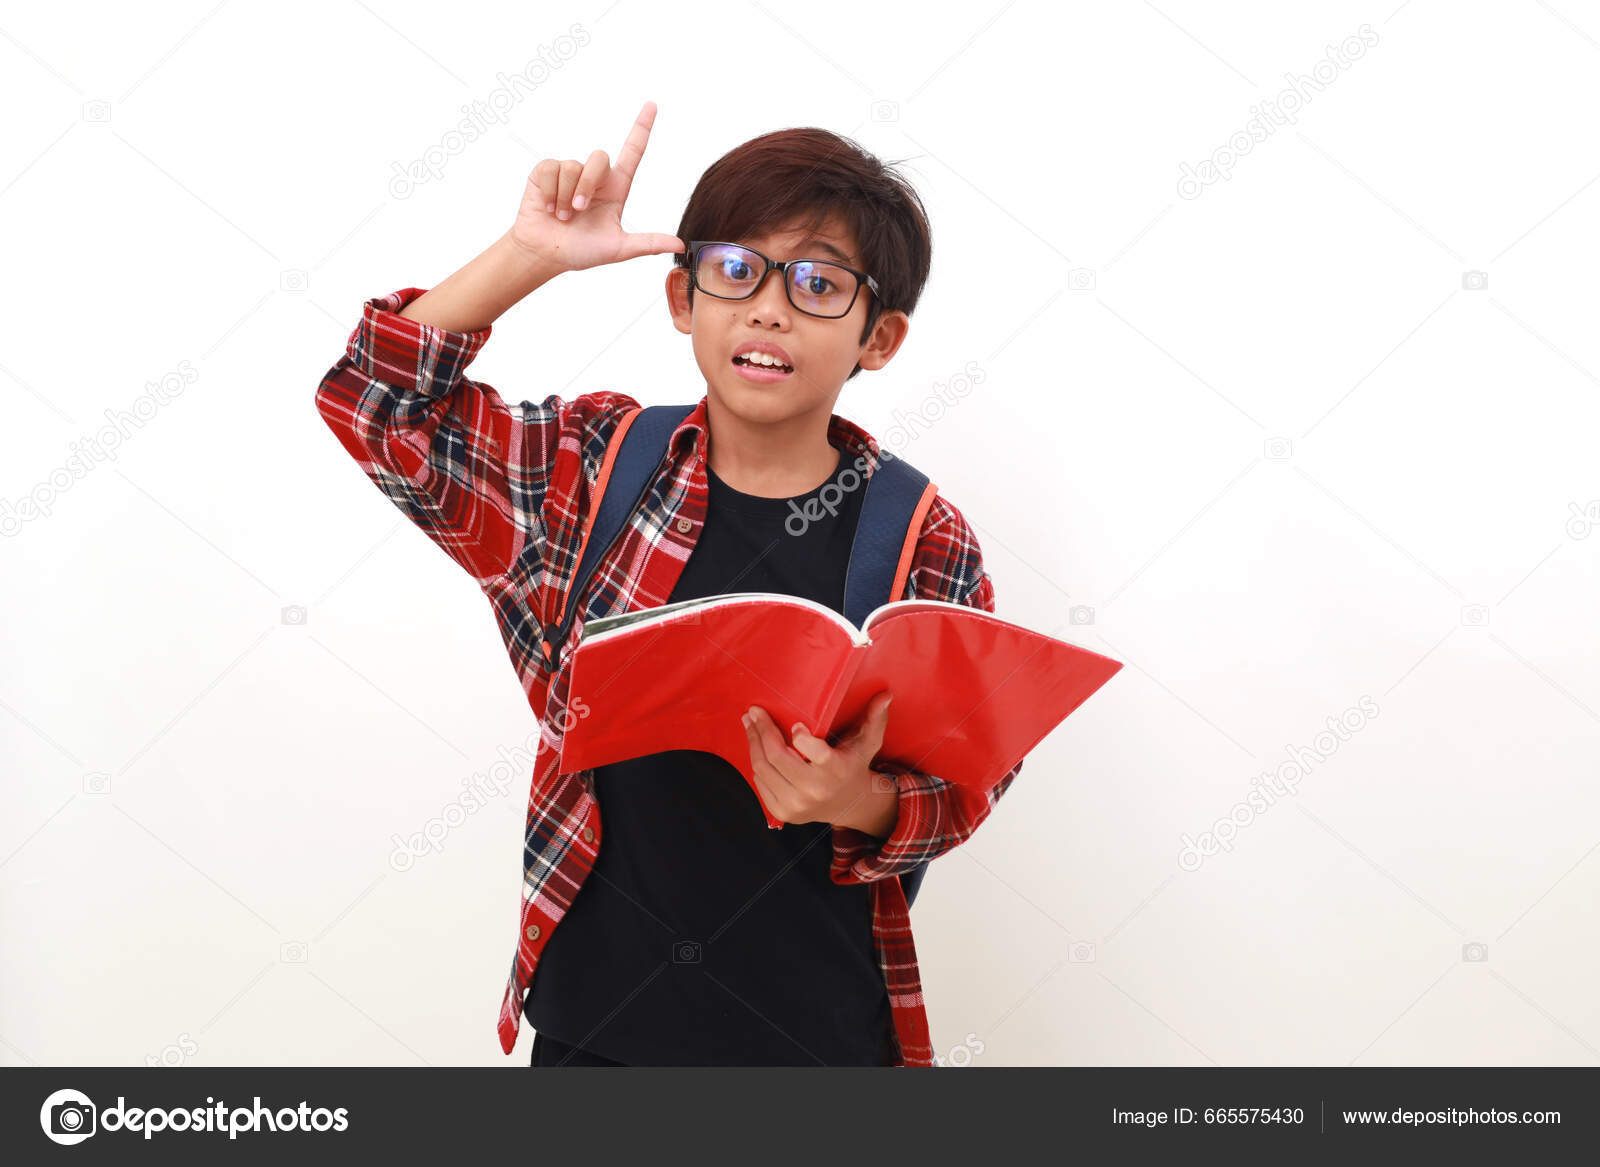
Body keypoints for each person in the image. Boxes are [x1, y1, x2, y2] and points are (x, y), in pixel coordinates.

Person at [314, 101, 1022, 1068]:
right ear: (684, 299)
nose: (769, 306)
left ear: (880, 337)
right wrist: (532, 254)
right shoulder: (591, 471)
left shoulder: (919, 536)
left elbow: (969, 781)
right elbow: (373, 399)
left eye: (819, 282)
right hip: (592, 1026)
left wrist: (855, 800)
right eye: (738, 269)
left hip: (822, 1038)